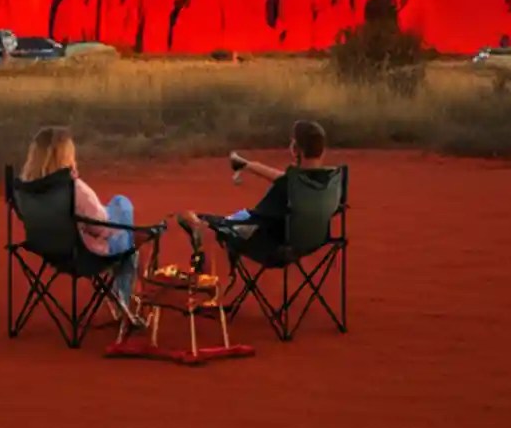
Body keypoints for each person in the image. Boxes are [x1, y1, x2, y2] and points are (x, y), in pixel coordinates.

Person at [19, 126, 141, 318]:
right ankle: (122, 300)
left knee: (118, 208)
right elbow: (102, 228)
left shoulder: (24, 190)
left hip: (48, 249)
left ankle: (121, 297)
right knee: (124, 216)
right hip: (83, 254)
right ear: (66, 156)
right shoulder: (74, 189)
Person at [178, 119, 330, 247]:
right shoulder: (328, 181)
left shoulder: (289, 184)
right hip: (307, 243)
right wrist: (249, 165)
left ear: (295, 150)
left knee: (189, 217)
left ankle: (204, 260)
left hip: (264, 240)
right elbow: (283, 179)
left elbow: (283, 182)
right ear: (322, 151)